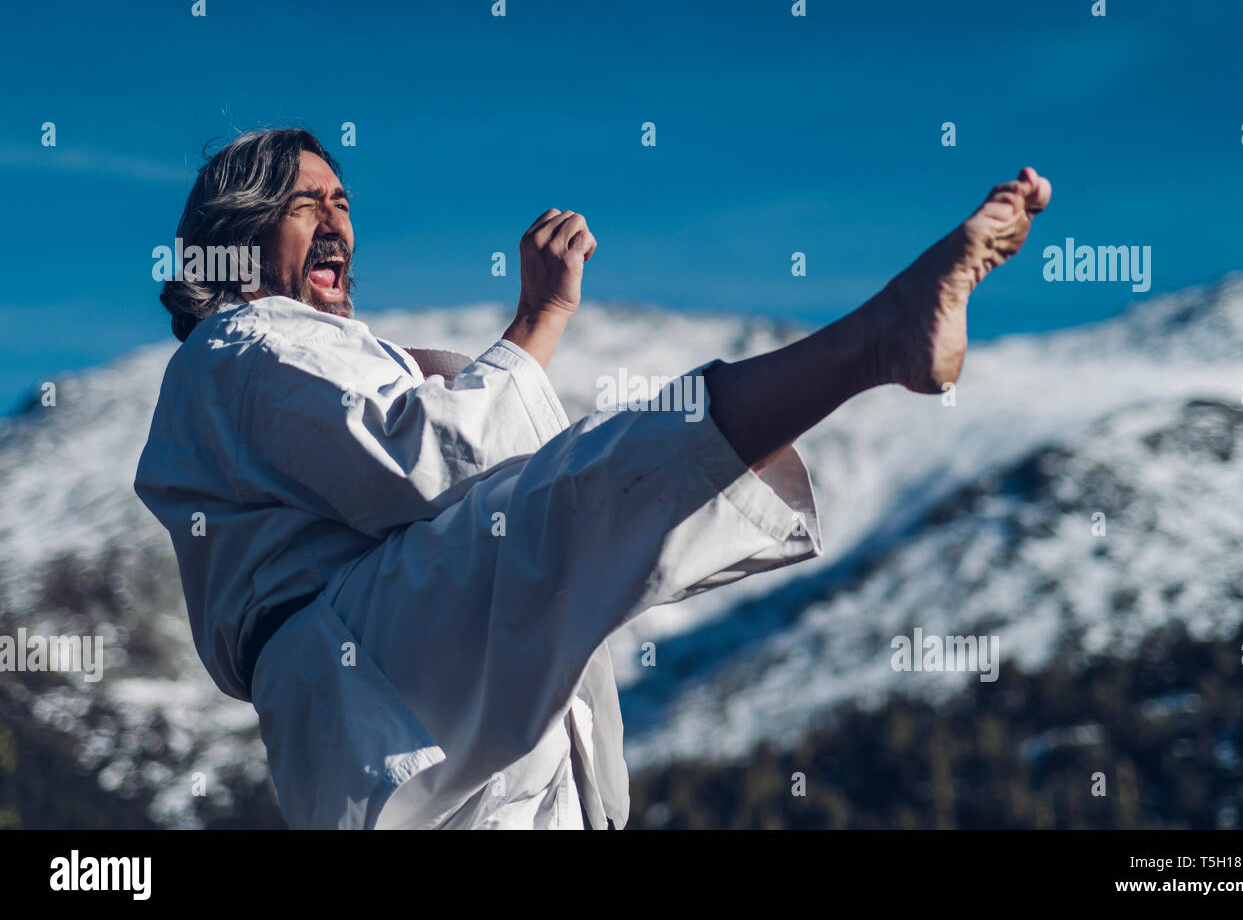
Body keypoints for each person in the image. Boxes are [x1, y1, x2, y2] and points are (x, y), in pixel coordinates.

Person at [134, 127, 1051, 829]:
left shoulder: (302, 358)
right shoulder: (242, 342)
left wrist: (448, 365)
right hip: (361, 644)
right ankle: (874, 339)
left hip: (393, 683)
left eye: (342, 200)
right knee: (573, 501)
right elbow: (429, 462)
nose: (337, 220)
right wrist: (538, 318)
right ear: (238, 232)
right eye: (305, 203)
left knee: (572, 512)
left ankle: (876, 340)